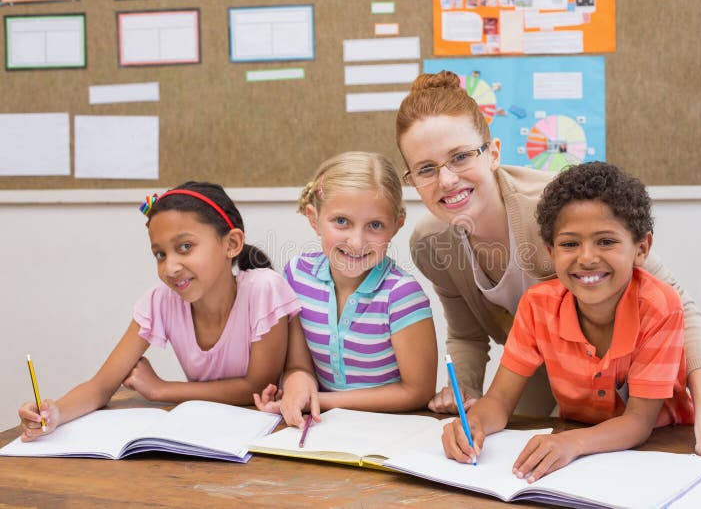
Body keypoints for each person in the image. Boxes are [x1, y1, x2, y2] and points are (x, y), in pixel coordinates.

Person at [395, 70, 701, 474]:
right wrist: (467, 407)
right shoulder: (431, 243)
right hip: (538, 357)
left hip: (620, 366)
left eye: (460, 156)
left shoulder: (563, 214)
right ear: (411, 178)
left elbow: (682, 311)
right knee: (514, 452)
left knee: (581, 445)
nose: (446, 179)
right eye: (425, 169)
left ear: (492, 153)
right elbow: (467, 335)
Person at [442, 162, 693, 480]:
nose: (586, 257)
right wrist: (474, 423)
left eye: (605, 241)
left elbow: (639, 422)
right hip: (579, 456)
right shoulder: (538, 306)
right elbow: (499, 401)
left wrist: (572, 443)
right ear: (551, 251)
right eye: (569, 244)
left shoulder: (659, 307)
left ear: (641, 249)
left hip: (660, 452)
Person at [17, 181, 299, 441]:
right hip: (210, 438)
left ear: (232, 244)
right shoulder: (161, 300)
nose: (170, 267)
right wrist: (53, 414)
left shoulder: (264, 288)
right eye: (160, 254)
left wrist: (161, 389)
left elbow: (256, 386)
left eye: (185, 247)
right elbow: (101, 386)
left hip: (272, 435)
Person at [254, 152, 437, 427]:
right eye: (341, 221)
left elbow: (417, 392)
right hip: (321, 428)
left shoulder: (401, 295)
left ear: (396, 226)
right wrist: (295, 389)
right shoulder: (296, 276)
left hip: (389, 429)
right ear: (314, 219)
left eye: (375, 225)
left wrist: (319, 401)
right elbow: (299, 365)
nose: (356, 241)